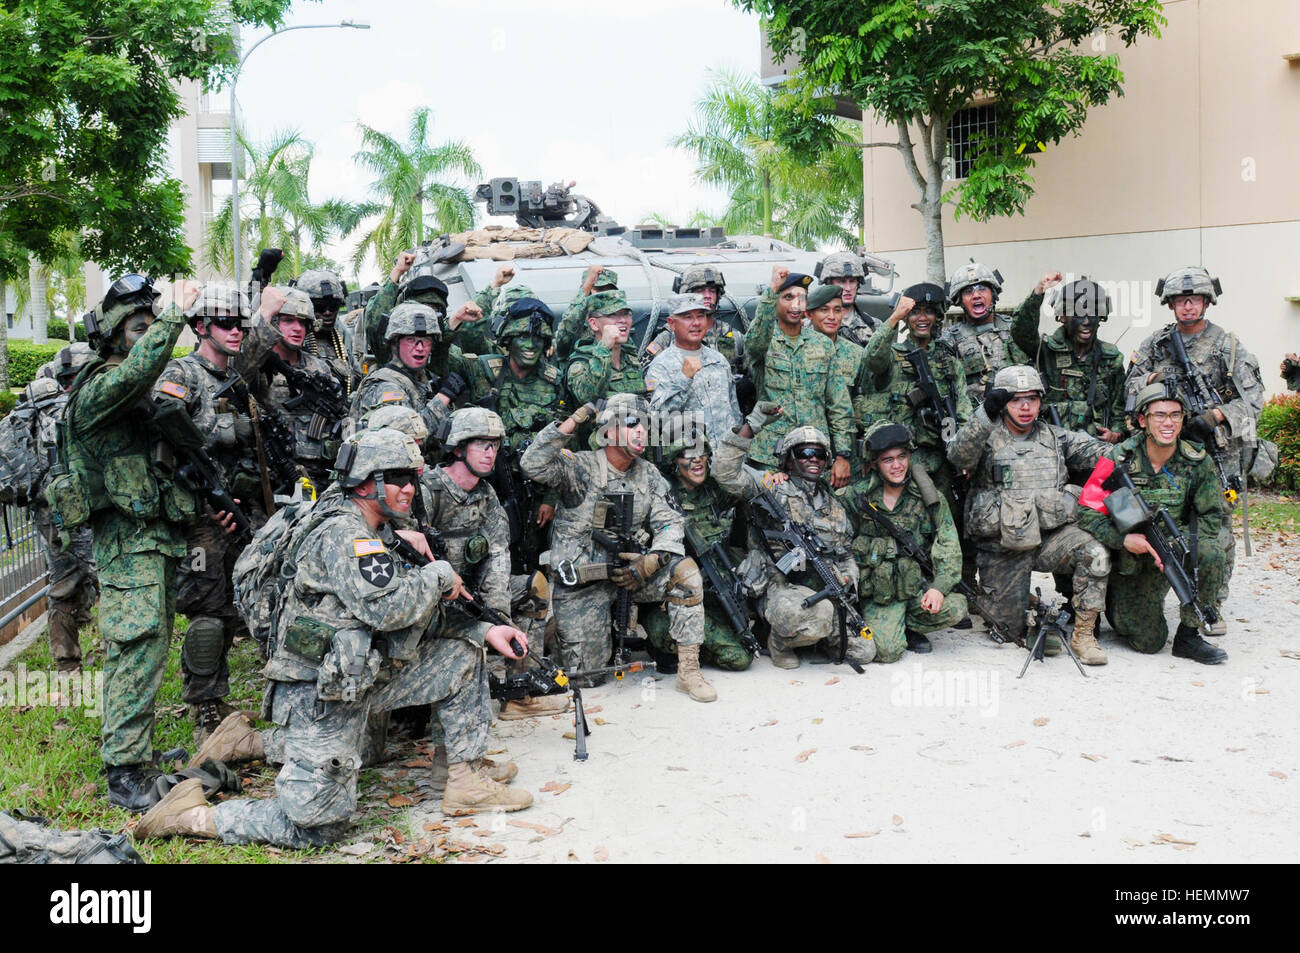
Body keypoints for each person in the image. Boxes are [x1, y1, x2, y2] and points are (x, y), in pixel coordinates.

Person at [133, 428, 534, 845]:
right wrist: (438, 575)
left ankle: (464, 780)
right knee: (316, 826)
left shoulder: (377, 529)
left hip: (359, 677)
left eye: (412, 477)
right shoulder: (344, 534)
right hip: (317, 694)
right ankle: (190, 815)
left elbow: (413, 618)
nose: (410, 489)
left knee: (462, 652)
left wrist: (487, 628)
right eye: (397, 478)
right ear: (365, 482)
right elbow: (389, 607)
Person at [52, 275, 206, 810]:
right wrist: (174, 318)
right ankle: (123, 771)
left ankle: (134, 753)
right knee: (135, 647)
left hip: (153, 538)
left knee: (150, 647)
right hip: (126, 539)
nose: (147, 337)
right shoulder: (99, 389)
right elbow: (137, 373)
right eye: (137, 328)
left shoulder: (135, 392)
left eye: (151, 326)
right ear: (115, 337)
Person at [520, 393, 717, 702]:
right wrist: (578, 416)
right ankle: (557, 633)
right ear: (608, 431)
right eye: (631, 424)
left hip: (633, 576)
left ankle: (688, 671)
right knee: (585, 677)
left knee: (685, 573)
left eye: (645, 425)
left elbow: (670, 523)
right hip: (585, 585)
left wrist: (653, 559)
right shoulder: (579, 467)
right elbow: (532, 463)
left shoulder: (649, 474)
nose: (641, 431)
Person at [1124, 267, 1264, 632]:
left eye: (1195, 299)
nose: (1188, 306)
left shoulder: (1228, 347)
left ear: (1206, 301)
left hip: (1214, 451)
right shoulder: (1157, 344)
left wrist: (1215, 415)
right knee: (1160, 521)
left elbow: (1253, 405)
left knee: (1215, 528)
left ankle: (1211, 603)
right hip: (1166, 451)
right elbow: (1130, 389)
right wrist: (1156, 379)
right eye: (1181, 300)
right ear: (1170, 304)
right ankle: (1152, 595)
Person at [152, 284, 262, 743]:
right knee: (206, 613)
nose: (236, 332)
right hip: (199, 518)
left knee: (237, 606)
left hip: (239, 511)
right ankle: (206, 710)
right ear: (201, 327)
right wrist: (204, 504)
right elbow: (162, 429)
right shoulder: (184, 373)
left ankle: (222, 698)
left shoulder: (238, 383)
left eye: (241, 324)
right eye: (225, 324)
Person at [947, 365, 1111, 661]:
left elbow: (1106, 453)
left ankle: (1084, 635)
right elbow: (958, 455)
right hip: (1003, 546)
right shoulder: (985, 437)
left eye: (1032, 399)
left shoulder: (1056, 438)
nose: (1025, 407)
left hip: (1050, 539)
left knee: (1094, 552)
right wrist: (984, 414)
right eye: (1015, 400)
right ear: (1002, 403)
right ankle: (1029, 603)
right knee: (1008, 630)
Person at [1076, 382, 1228, 664]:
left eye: (1175, 415)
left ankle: (1189, 636)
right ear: (1143, 420)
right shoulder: (1118, 457)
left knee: (1212, 550)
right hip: (1130, 559)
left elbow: (1210, 517)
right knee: (1149, 641)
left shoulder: (1197, 462)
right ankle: (1112, 601)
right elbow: (1086, 511)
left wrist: (1180, 546)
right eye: (1159, 415)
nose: (1168, 422)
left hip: (1172, 549)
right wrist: (1123, 541)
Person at [712, 406, 870, 670]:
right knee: (816, 615)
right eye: (805, 453)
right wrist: (753, 424)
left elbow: (846, 555)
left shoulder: (834, 506)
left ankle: (811, 637)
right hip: (777, 584)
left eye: (819, 454)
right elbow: (724, 472)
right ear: (787, 459)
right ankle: (776, 640)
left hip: (821, 587)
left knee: (864, 650)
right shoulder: (772, 488)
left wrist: (847, 578)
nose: (813, 460)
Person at [843, 423, 967, 661]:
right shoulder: (856, 498)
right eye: (887, 460)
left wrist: (938, 588)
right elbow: (837, 541)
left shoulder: (929, 497)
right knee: (888, 652)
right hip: (879, 593)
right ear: (875, 464)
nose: (897, 465)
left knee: (957, 607)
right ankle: (889, 624)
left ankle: (908, 625)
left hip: (913, 587)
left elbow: (949, 546)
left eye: (902, 456)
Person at [12, 351, 99, 672]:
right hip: (72, 504)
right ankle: (82, 657)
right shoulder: (73, 406)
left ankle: (68, 660)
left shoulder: (40, 397)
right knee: (85, 576)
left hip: (46, 510)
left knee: (65, 579)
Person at [640, 437, 756, 673]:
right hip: (675, 598)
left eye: (701, 453)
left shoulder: (715, 491)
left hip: (714, 592)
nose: (697, 461)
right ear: (675, 462)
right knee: (739, 658)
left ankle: (686, 648)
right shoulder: (661, 494)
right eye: (687, 455)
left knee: (740, 651)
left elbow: (736, 475)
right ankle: (667, 639)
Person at [744, 266, 854, 486]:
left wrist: (843, 454)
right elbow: (754, 341)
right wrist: (771, 290)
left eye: (801, 298)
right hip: (770, 456)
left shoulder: (822, 344)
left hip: (814, 453)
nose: (795, 304)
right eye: (787, 297)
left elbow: (839, 403)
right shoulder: (765, 343)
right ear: (775, 301)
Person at [241, 287, 343, 489]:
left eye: (303, 322)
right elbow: (241, 364)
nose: (298, 328)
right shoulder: (257, 366)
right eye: (288, 321)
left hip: (319, 477)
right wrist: (264, 314)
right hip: (274, 475)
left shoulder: (319, 367)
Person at [1010, 273, 1126, 441]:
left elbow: (1119, 412)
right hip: (1052, 448)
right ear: (1063, 316)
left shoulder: (1111, 359)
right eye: (1078, 314)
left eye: (1091, 314)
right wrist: (1038, 293)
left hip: (1096, 449)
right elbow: (1021, 332)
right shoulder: (1047, 351)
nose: (1086, 322)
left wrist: (1114, 435)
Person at [350, 302, 465, 434]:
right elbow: (405, 435)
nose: (420, 348)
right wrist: (443, 398)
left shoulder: (416, 378)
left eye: (426, 340)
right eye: (411, 339)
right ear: (394, 343)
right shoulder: (387, 386)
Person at [645, 293, 742, 444]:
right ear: (672, 323)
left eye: (701, 316)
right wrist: (684, 379)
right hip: (692, 461)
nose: (696, 323)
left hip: (726, 458)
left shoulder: (719, 360)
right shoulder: (660, 367)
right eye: (687, 317)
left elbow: (734, 414)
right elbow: (658, 421)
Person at [938, 261, 1029, 406]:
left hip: (1020, 411)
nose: (976, 295)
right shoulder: (949, 339)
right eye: (968, 292)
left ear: (993, 294)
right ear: (960, 300)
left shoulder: (1015, 329)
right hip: (978, 419)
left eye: (982, 289)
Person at [295, 269, 362, 394]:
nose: (327, 312)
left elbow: (358, 381)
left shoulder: (340, 342)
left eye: (333, 307)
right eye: (319, 307)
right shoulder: (293, 340)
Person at [554, 264, 619, 360]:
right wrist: (587, 285)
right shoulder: (578, 319)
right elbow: (563, 337)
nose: (604, 295)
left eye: (609, 290)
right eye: (599, 289)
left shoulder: (618, 319)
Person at [817, 251, 876, 346]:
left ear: (858, 284)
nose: (848, 288)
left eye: (852, 281)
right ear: (829, 284)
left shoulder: (874, 326)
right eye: (842, 281)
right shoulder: (812, 326)